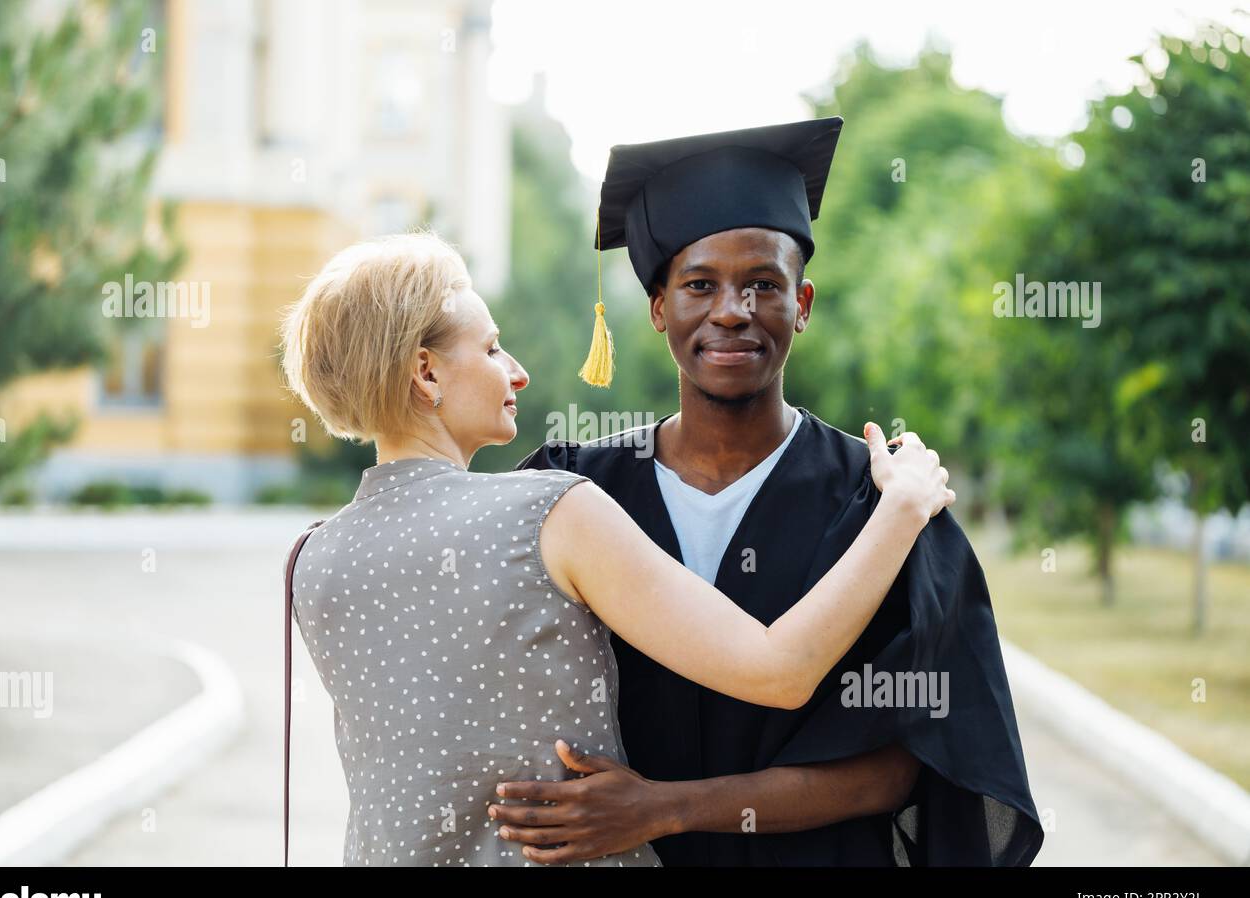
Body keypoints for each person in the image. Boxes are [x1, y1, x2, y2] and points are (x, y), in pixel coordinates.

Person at [279, 229, 954, 866]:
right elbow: (780, 670)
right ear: (425, 373)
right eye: (490, 350)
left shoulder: (312, 559)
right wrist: (902, 507)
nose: (516, 373)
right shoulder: (547, 510)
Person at [511, 117, 1044, 866]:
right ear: (660, 306)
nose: (733, 309)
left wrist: (664, 809)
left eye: (763, 284)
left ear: (803, 304)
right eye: (700, 284)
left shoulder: (884, 500)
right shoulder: (571, 492)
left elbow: (899, 767)